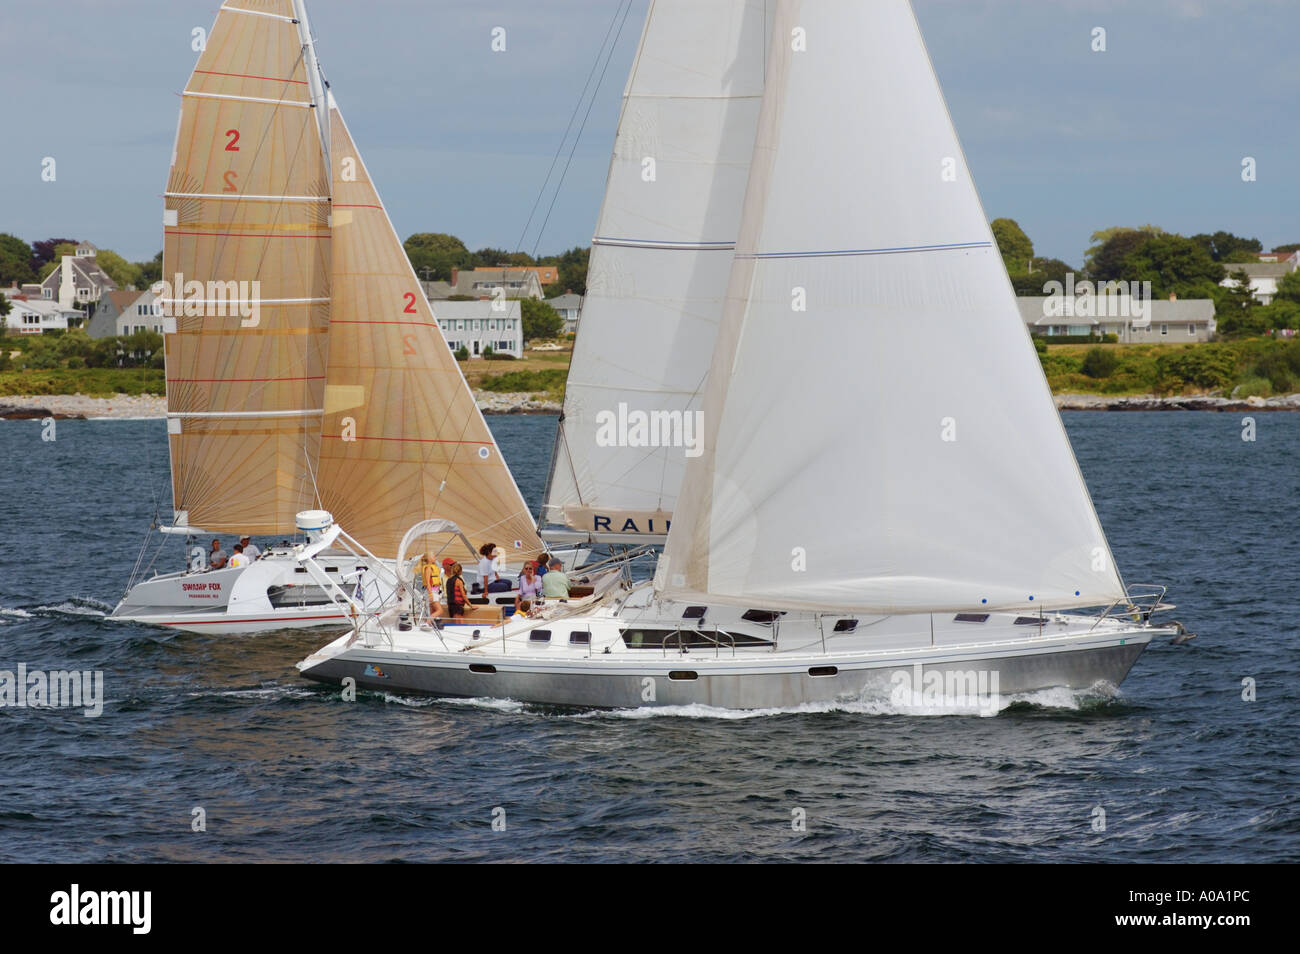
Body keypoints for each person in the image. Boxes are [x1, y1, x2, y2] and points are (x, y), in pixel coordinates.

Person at [420, 553, 442, 620]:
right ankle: (427, 623)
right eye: (434, 556)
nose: (436, 557)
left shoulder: (433, 567)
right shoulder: (429, 568)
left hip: (435, 591)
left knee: (432, 611)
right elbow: (428, 582)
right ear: (429, 559)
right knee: (439, 610)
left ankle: (431, 625)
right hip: (432, 591)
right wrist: (430, 594)